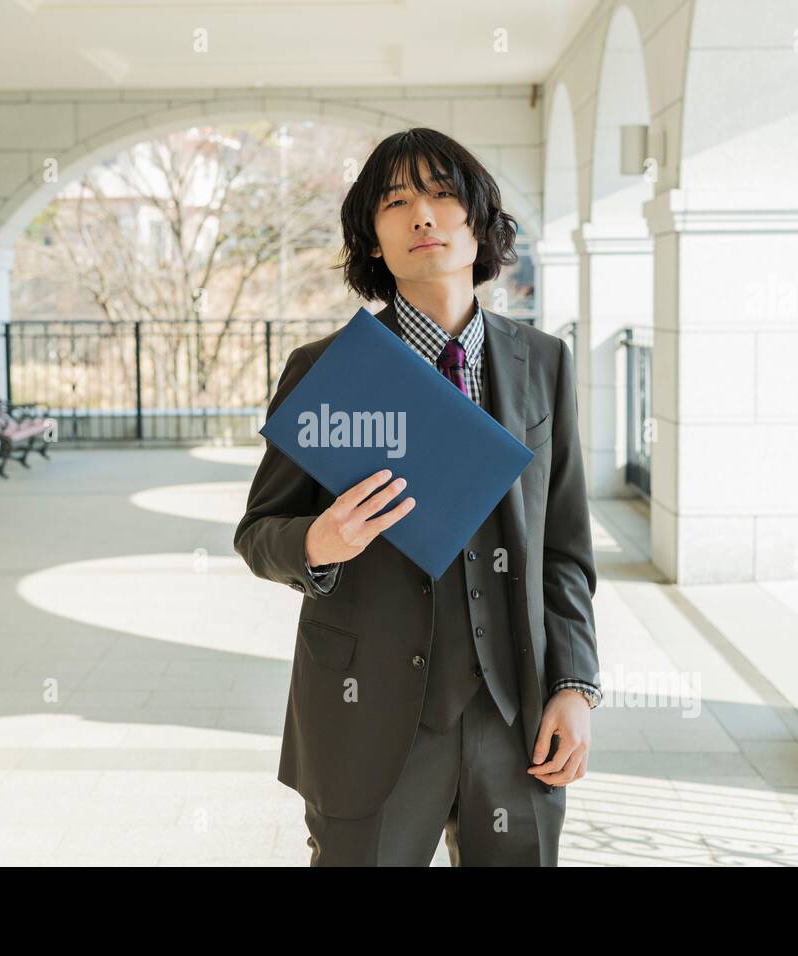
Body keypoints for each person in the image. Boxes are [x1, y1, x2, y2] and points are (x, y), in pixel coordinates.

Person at [234, 127, 599, 866]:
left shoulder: (544, 362)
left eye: (441, 194)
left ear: (479, 221)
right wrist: (319, 543)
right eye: (396, 202)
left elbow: (563, 545)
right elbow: (258, 532)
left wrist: (574, 685)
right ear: (373, 240)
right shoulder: (327, 372)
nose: (422, 215)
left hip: (516, 718)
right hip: (369, 719)